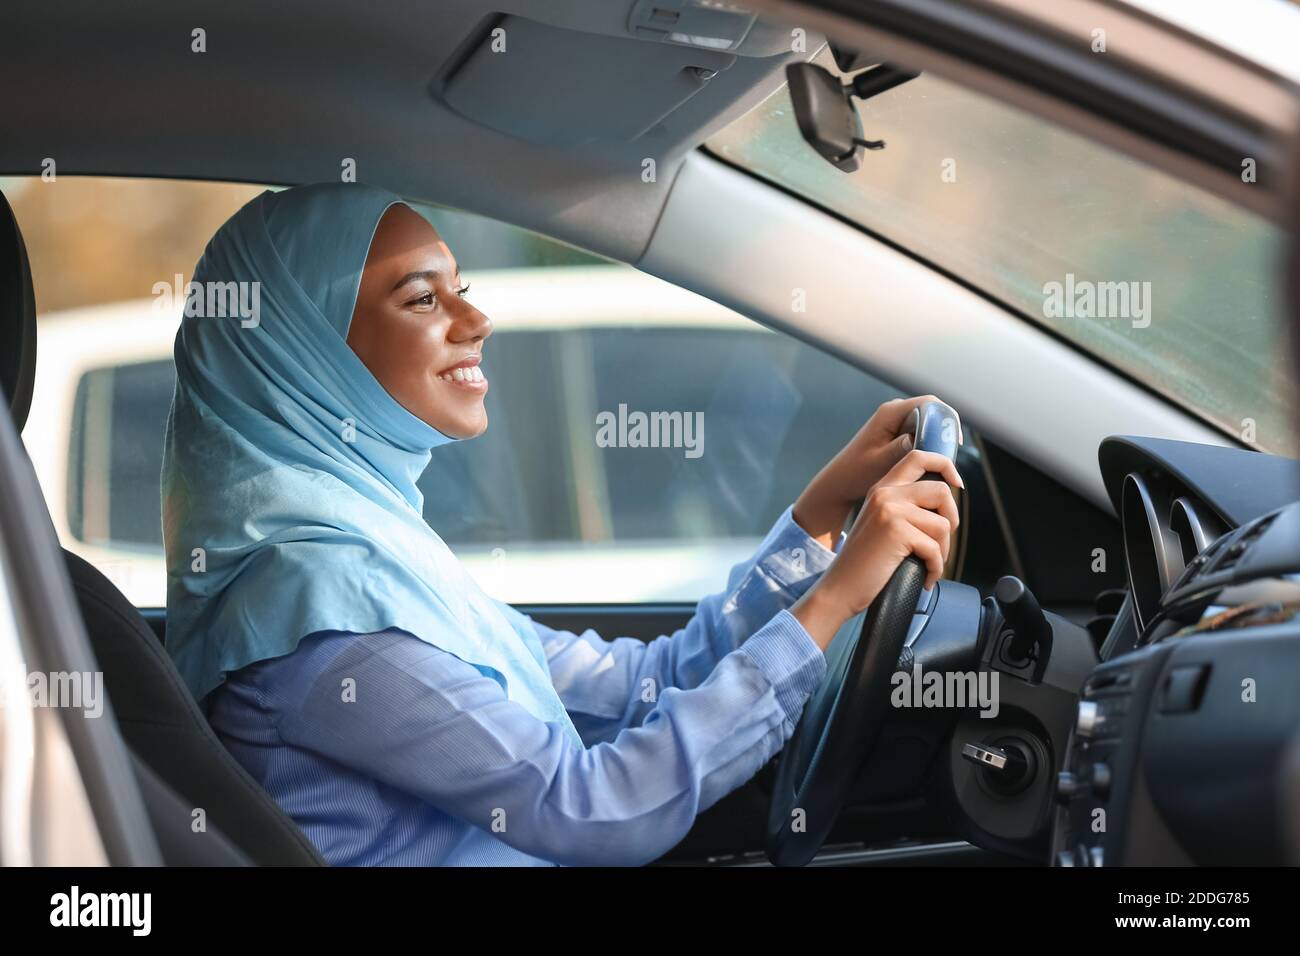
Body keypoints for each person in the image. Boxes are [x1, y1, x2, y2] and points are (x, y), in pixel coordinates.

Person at [161, 182, 962, 866]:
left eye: (462, 286)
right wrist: (836, 604)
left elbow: (642, 683)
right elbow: (592, 808)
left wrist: (819, 518)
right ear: (307, 353)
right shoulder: (317, 614)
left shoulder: (377, 562)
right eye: (422, 298)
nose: (476, 320)